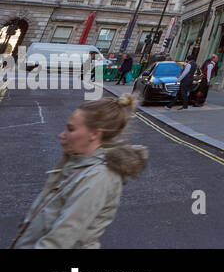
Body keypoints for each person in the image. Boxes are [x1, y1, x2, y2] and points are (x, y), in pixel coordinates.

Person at [11, 95, 148, 248]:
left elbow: (59, 240)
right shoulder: (76, 162)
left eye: (71, 129)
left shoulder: (98, 178)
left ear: (95, 134)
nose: (61, 135)